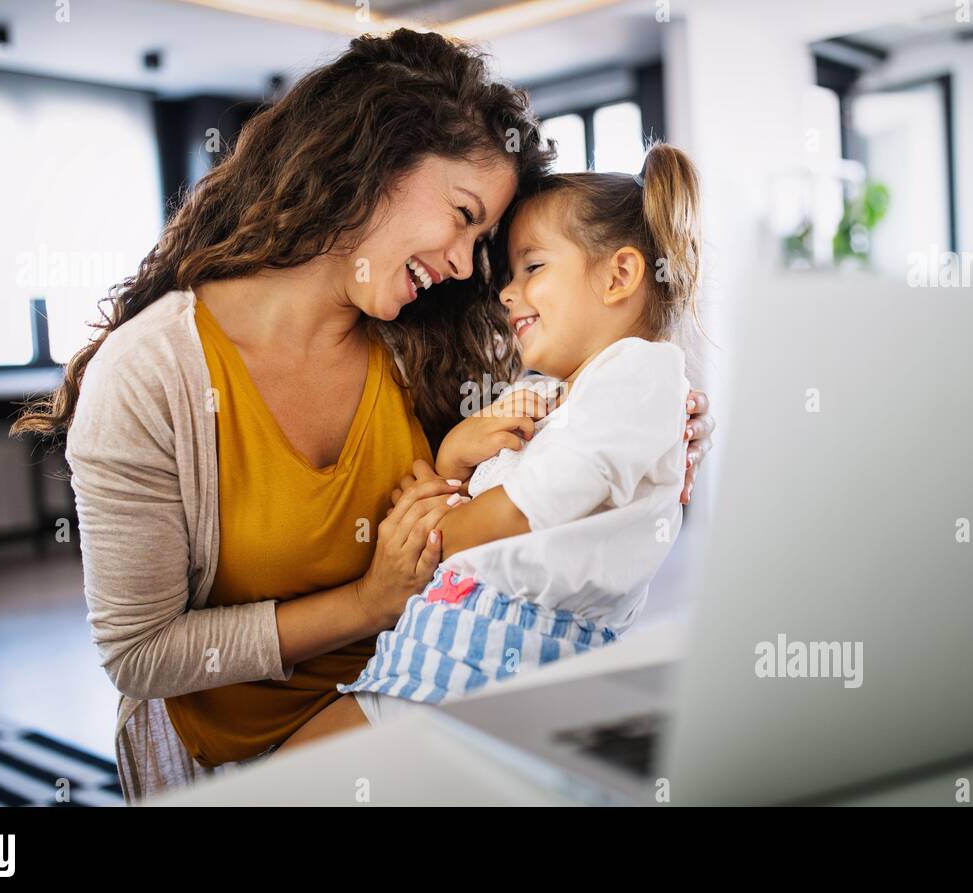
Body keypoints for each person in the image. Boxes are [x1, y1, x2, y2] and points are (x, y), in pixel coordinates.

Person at [10, 29, 715, 802]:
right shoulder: (151, 377)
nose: (461, 264)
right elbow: (141, 652)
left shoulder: (431, 339)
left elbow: (552, 461)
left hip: (440, 719)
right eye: (462, 214)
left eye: (484, 244)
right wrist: (366, 603)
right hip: (245, 765)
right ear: (375, 157)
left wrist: (658, 437)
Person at [285, 145, 703, 745]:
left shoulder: (639, 374)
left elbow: (519, 509)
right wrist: (455, 458)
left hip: (490, 657)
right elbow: (476, 494)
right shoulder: (552, 397)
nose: (507, 293)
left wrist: (428, 537)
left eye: (532, 268)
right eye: (509, 274)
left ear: (619, 276)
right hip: (456, 646)